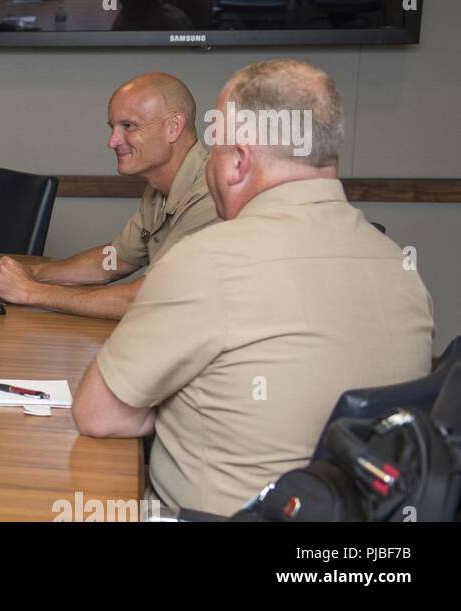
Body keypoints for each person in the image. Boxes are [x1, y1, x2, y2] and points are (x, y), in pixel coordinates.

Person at [71, 60, 435, 516]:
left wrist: (173, 400)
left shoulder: (206, 259)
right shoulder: (403, 269)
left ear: (237, 162)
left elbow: (98, 414)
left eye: (215, 149)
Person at [0, 72, 218, 320]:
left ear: (173, 127)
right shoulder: (158, 190)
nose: (113, 141)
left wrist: (31, 292)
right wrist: (33, 272)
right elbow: (112, 262)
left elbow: (151, 299)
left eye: (128, 126)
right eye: (113, 128)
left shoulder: (212, 191)